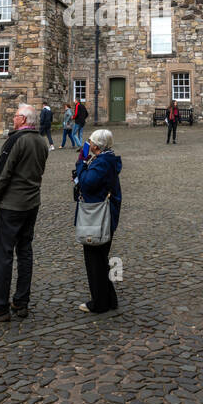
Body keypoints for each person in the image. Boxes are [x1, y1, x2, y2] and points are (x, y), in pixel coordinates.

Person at [0, 104, 49, 322]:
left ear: (24, 119)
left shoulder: (16, 140)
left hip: (11, 205)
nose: (13, 118)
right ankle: (21, 301)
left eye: (16, 115)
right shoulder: (42, 141)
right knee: (25, 251)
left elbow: (3, 173)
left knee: (3, 254)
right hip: (32, 203)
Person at [73, 128, 123, 314]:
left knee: (94, 260)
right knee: (100, 259)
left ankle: (99, 303)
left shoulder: (102, 162)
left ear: (96, 145)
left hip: (97, 217)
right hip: (102, 215)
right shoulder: (105, 159)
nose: (88, 143)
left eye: (90, 141)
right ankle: (109, 299)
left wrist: (81, 163)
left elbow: (87, 183)